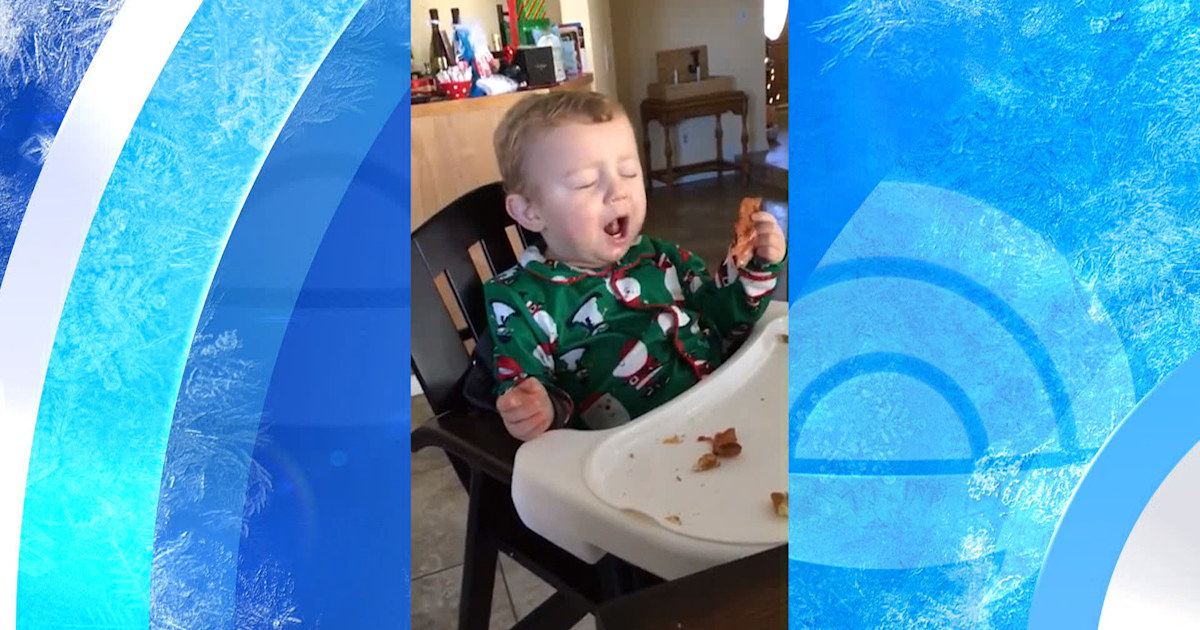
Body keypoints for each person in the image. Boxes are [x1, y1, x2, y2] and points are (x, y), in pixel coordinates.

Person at [484, 90, 785, 441]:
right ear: (530, 212)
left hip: (726, 406)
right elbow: (526, 385)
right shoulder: (517, 299)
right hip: (637, 453)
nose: (618, 191)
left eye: (629, 172)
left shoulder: (659, 258)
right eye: (585, 182)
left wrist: (758, 266)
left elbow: (723, 320)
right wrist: (537, 409)